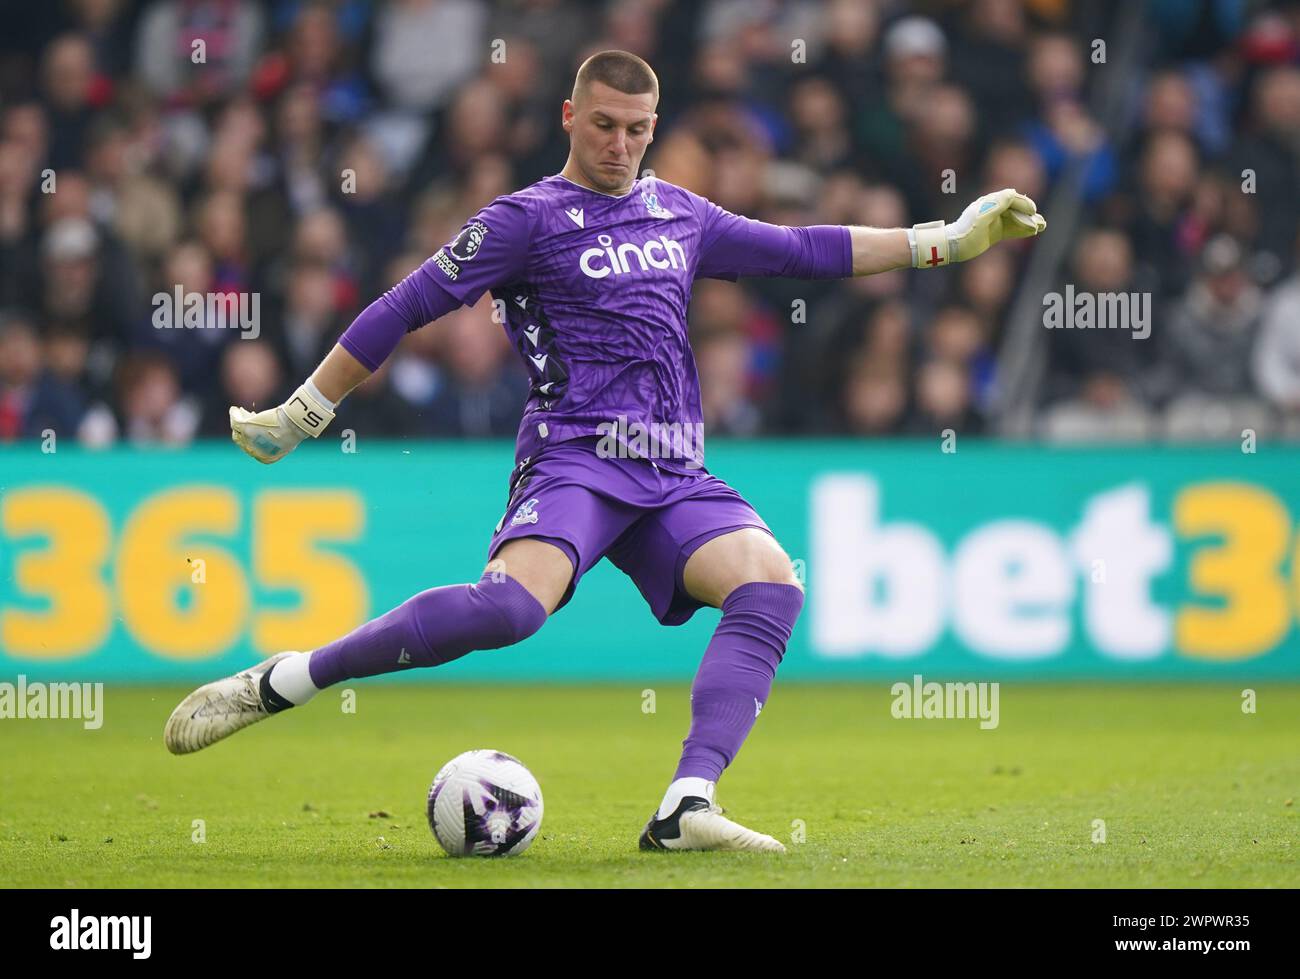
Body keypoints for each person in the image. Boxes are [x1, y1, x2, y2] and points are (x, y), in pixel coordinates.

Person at [164, 50, 1045, 853]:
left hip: (672, 467)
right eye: (603, 126)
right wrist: (306, 408)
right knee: (509, 613)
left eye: (636, 130)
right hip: (576, 457)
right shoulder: (525, 220)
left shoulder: (680, 211)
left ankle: (686, 805)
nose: (619, 145)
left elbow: (804, 249)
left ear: (653, 130)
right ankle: (287, 679)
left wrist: (948, 240)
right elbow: (404, 306)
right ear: (568, 117)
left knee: (772, 581)